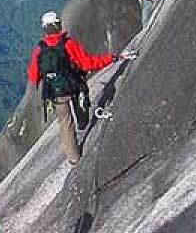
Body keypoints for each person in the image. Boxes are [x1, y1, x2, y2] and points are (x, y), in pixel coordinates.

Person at [27, 11, 130, 165]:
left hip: (56, 92)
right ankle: (83, 122)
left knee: (65, 123)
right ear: (58, 25)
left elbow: (33, 75)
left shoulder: (39, 50)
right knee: (81, 108)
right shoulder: (68, 44)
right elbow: (88, 63)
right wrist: (113, 58)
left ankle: (73, 157)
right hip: (74, 87)